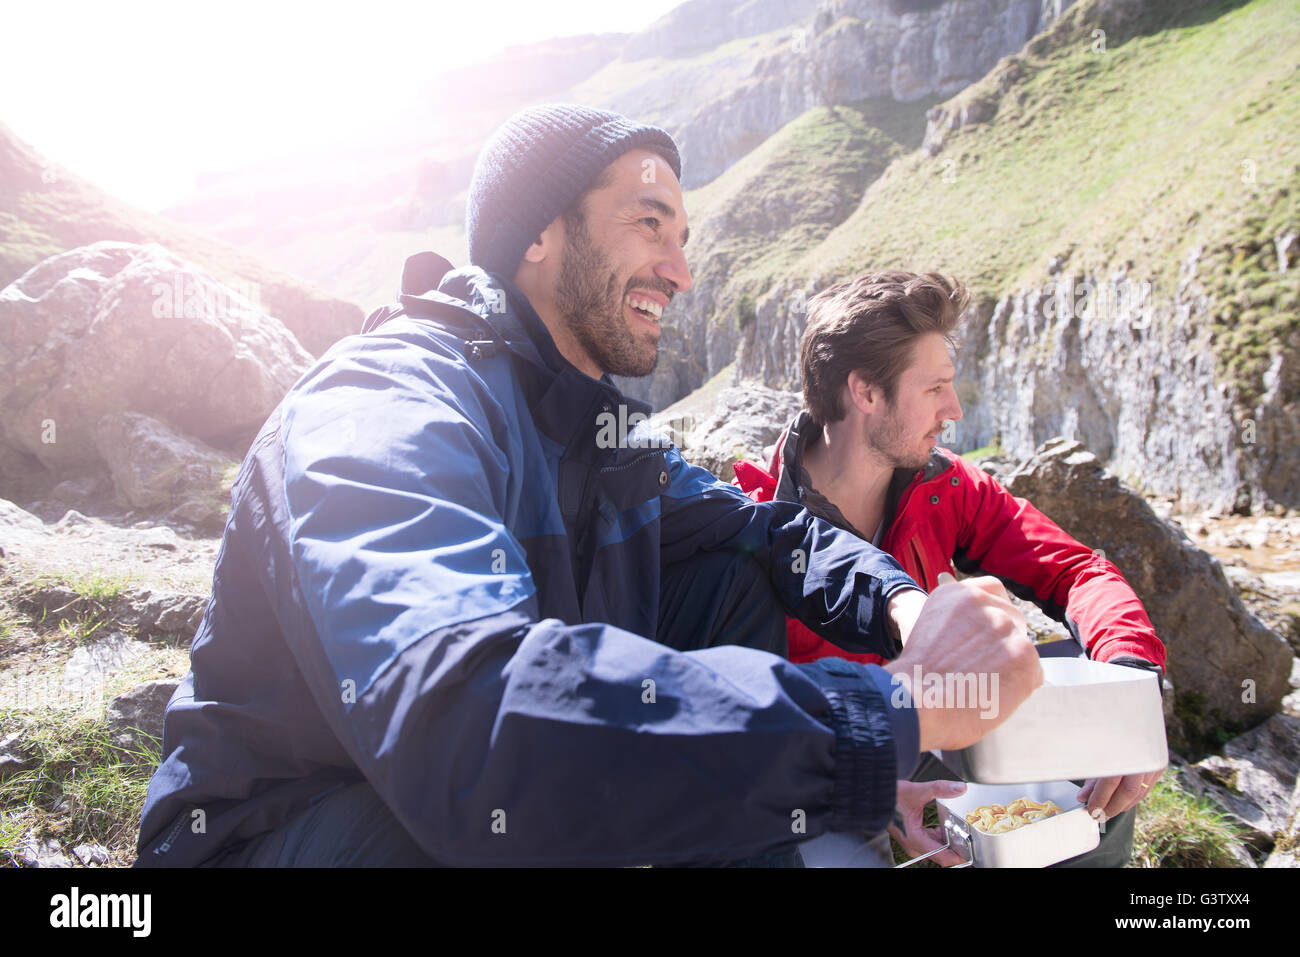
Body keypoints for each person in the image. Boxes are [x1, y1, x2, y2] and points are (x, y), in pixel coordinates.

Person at [133, 106, 1043, 868]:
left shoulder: (599, 431)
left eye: (684, 239)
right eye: (649, 222)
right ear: (537, 233)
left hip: (444, 793)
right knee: (495, 819)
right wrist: (900, 705)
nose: (680, 271)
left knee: (737, 574)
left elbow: (772, 533)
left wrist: (904, 612)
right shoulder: (386, 403)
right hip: (285, 828)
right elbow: (480, 724)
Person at [733, 270, 1168, 867]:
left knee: (1102, 746)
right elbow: (743, 725)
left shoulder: (946, 486)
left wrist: (1131, 684)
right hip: (834, 747)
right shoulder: (750, 525)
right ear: (865, 393)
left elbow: (1076, 571)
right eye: (935, 388)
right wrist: (867, 788)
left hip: (952, 709)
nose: (955, 410)